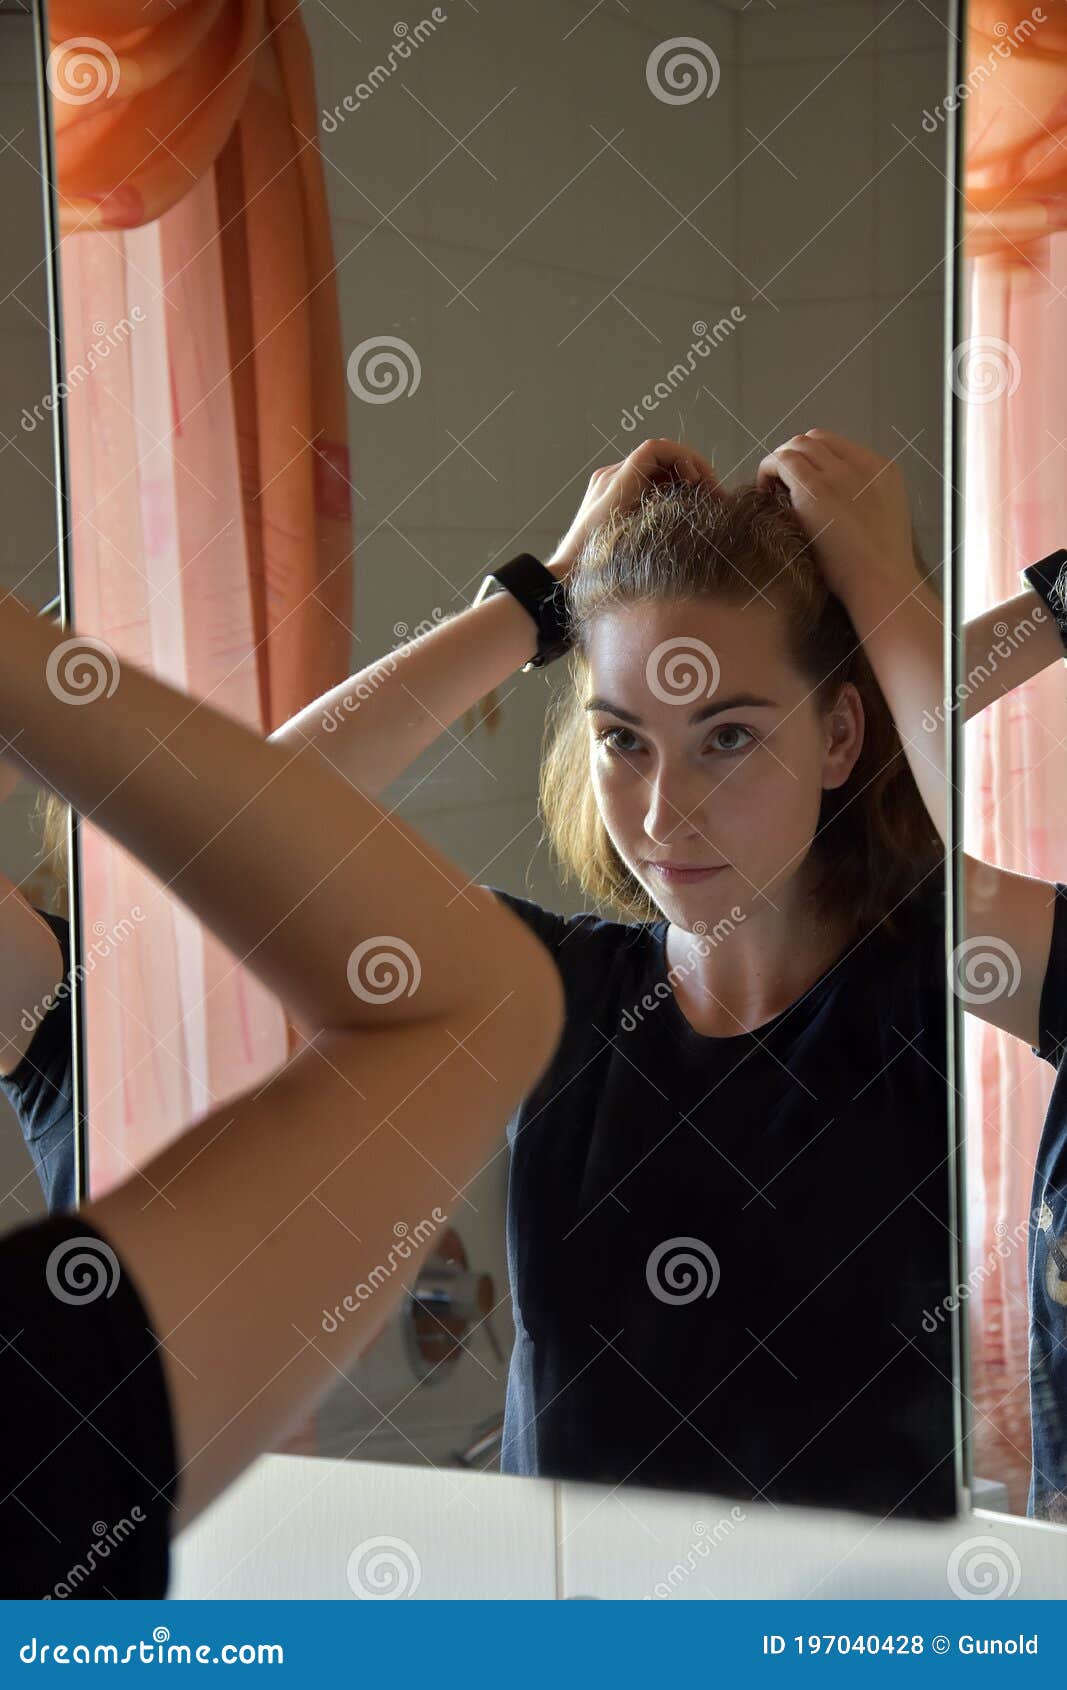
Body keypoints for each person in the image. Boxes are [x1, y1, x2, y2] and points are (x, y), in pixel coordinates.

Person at [271, 433, 959, 1517]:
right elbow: (243, 819)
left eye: (725, 736)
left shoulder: (952, 991)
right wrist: (539, 600)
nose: (660, 811)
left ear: (839, 737)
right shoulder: (543, 987)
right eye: (623, 739)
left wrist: (884, 591)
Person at [0, 586, 565, 1598]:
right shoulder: (62, 983)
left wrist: (538, 600)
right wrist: (533, 601)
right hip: (170, 1496)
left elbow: (294, 798)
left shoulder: (315, 944)